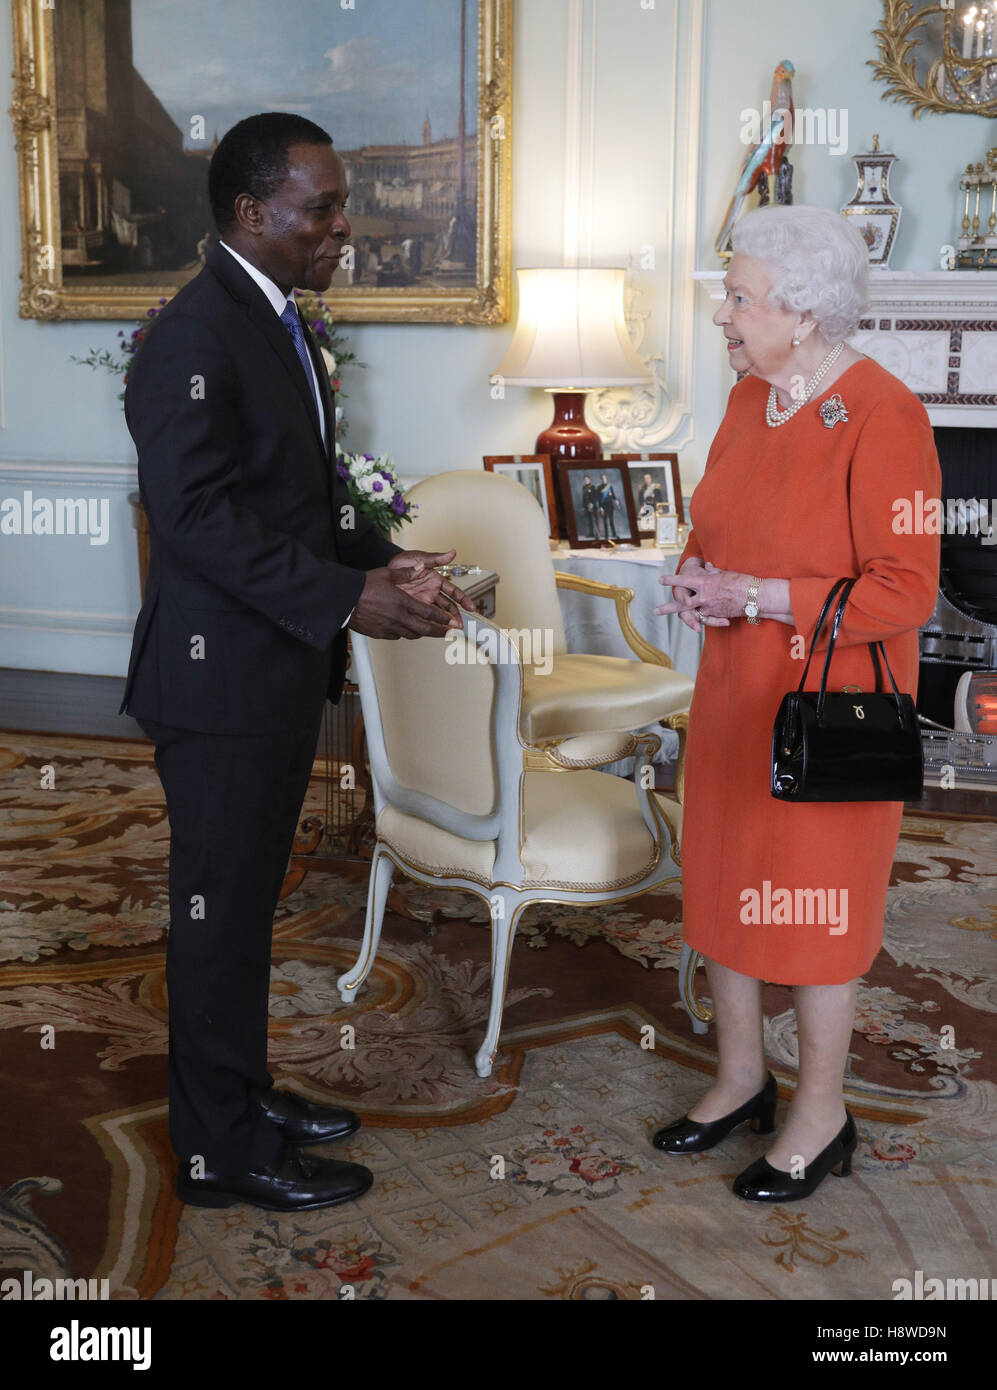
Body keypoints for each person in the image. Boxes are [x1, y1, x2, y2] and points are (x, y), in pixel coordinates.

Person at [119, 112, 473, 1214]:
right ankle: (220, 1151)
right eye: (319, 206)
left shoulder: (275, 318)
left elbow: (297, 500)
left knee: (242, 910)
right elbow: (194, 521)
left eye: (337, 203)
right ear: (249, 211)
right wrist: (349, 599)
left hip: (267, 674)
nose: (340, 224)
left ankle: (240, 1094)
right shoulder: (193, 334)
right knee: (216, 916)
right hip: (220, 684)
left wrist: (383, 556)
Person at [655, 204, 941, 1201]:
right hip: (735, 689)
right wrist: (696, 577)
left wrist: (763, 597)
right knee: (725, 880)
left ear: (804, 311)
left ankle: (822, 1112)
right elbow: (718, 526)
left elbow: (906, 587)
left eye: (737, 297)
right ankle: (741, 1077)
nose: (722, 315)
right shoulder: (746, 400)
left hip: (833, 710)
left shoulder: (882, 412)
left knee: (817, 909)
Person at [598, 473, 620, 539]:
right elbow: (599, 498)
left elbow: (613, 495)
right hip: (604, 506)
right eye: (602, 478)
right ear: (601, 479)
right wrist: (600, 507)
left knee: (611, 521)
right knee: (605, 521)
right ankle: (606, 535)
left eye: (605, 478)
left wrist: (616, 501)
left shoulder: (610, 486)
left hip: (610, 506)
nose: (604, 479)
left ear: (606, 479)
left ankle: (614, 534)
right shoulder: (599, 487)